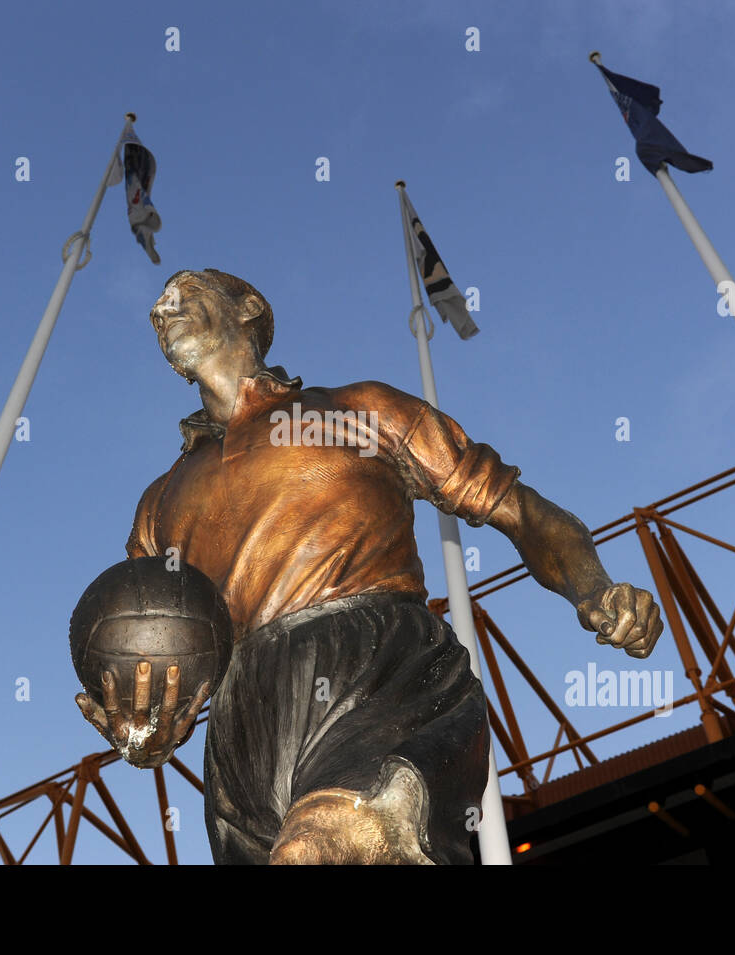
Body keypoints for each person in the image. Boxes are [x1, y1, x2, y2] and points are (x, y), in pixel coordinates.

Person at [75, 269, 663, 864]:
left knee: (335, 846)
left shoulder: (360, 409)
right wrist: (148, 727)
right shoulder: (159, 501)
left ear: (249, 307)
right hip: (241, 730)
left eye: (184, 292)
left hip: (377, 667)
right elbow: (151, 644)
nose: (160, 307)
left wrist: (596, 589)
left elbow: (521, 512)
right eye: (156, 305)